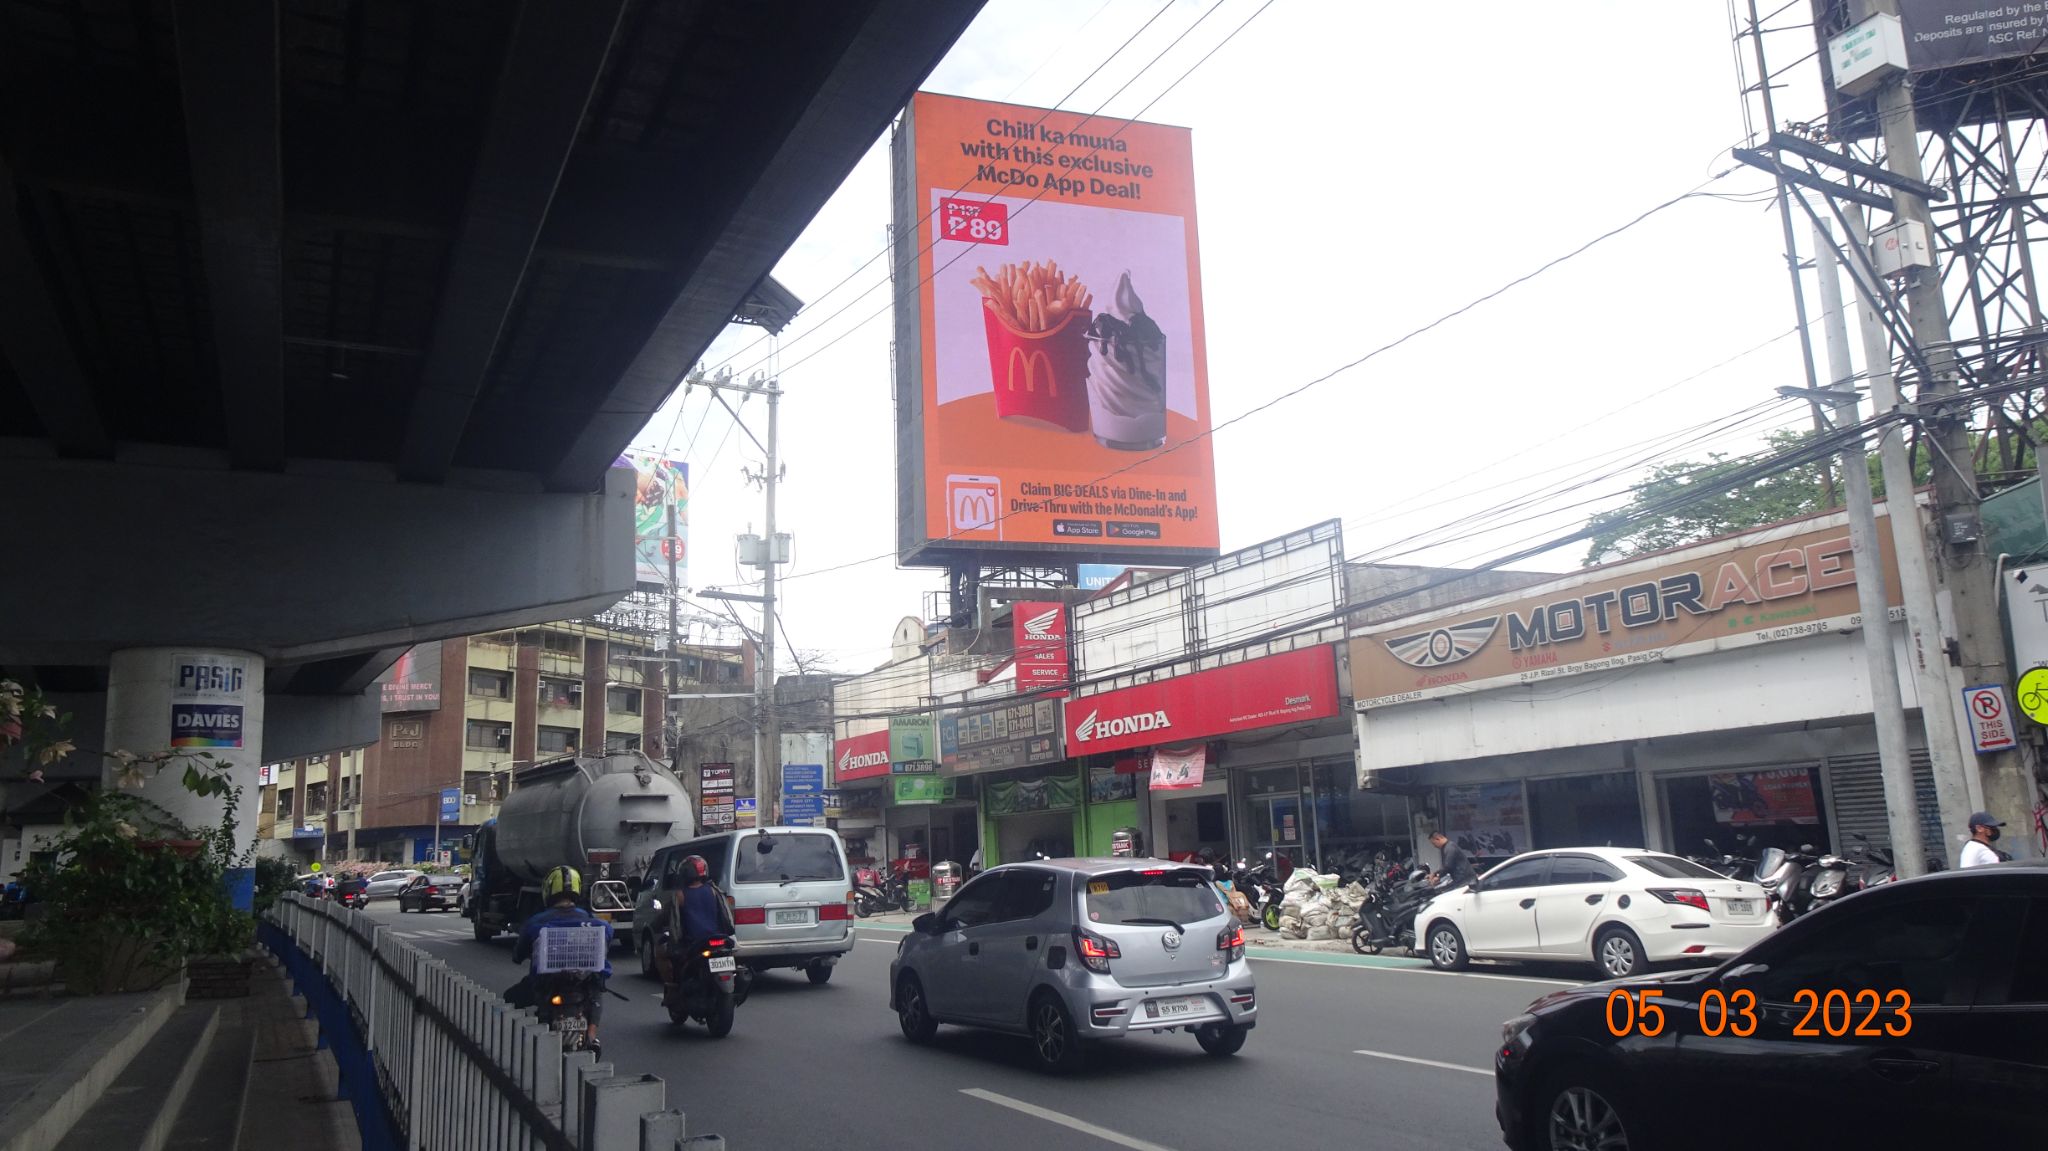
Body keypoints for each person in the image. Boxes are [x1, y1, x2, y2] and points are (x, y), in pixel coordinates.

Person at [506, 866, 614, 1051]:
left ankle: (520, 1046)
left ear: (548, 891)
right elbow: (608, 936)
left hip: (545, 984)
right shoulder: (591, 920)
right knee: (596, 986)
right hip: (582, 984)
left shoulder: (536, 921)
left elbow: (518, 954)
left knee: (509, 999)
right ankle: (592, 1036)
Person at [655, 854, 735, 1000]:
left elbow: (666, 917)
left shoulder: (679, 895)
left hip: (693, 942)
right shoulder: (714, 891)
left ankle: (672, 989)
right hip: (718, 939)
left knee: (661, 951)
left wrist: (656, 925)